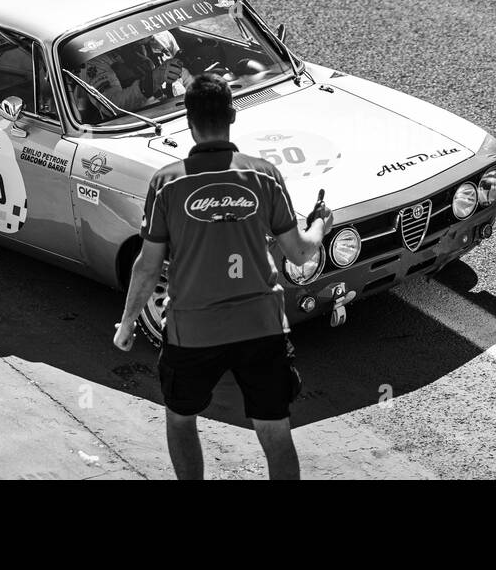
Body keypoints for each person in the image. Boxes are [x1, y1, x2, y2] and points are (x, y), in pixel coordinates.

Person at [113, 73, 331, 480]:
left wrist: (127, 323)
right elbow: (300, 252)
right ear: (233, 114)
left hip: (191, 332)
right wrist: (319, 224)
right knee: (275, 431)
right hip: (261, 327)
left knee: (180, 419)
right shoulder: (265, 175)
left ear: (186, 117)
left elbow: (147, 265)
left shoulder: (167, 183)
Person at [77, 32, 185, 113]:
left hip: (180, 107)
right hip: (140, 122)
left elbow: (184, 76)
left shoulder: (163, 36)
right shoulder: (96, 57)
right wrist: (156, 78)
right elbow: (112, 106)